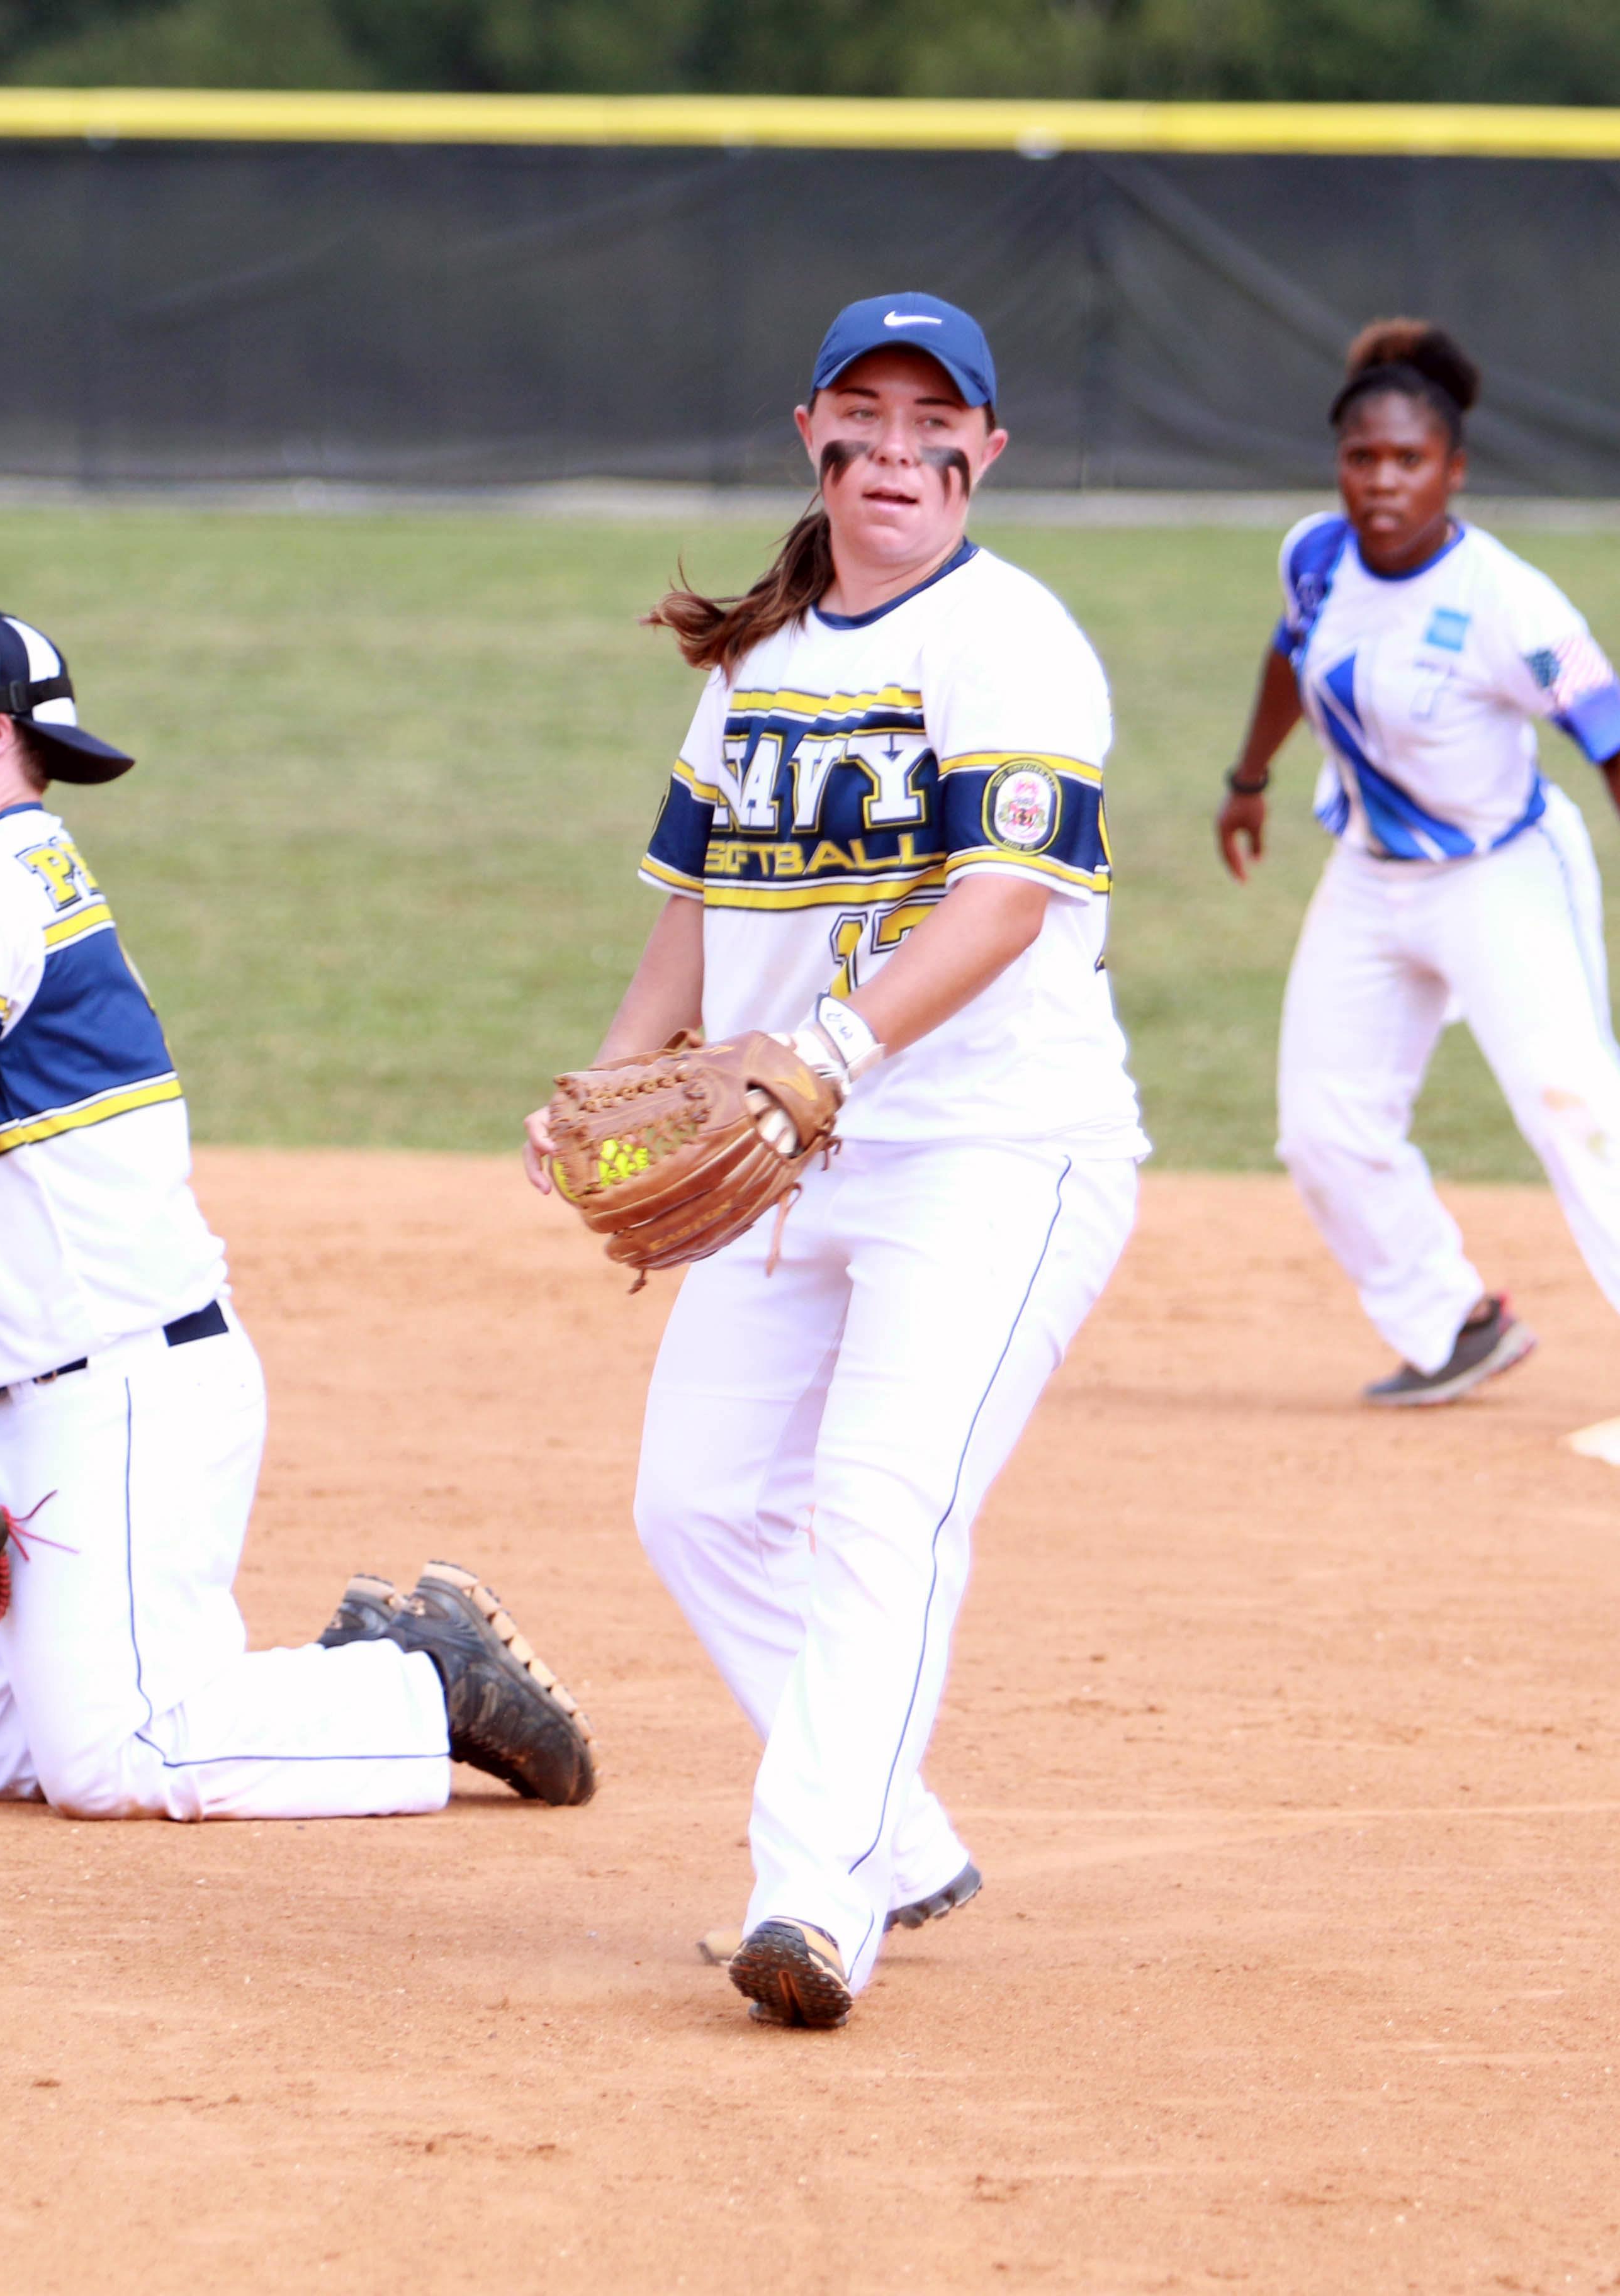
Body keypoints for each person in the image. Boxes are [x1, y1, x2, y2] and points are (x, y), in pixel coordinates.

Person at [524, 295, 1148, 2029]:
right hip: (788, 1147)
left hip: (994, 1153)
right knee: (699, 1503)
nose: (896, 445)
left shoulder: (1014, 641)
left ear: (986, 451)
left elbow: (1004, 907)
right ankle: (909, 1833)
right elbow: (701, 913)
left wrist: (827, 1057)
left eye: (933, 417)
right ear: (810, 431)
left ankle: (815, 1896)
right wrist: (614, 1078)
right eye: (861, 412)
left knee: (880, 1505)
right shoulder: (756, 663)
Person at [0, 605, 596, 1820]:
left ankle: (421, 1683)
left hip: (116, 1391)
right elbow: (1, 1190)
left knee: (118, 1762)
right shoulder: (15, 873)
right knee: (1, 1755)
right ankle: (295, 1687)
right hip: (20, 1396)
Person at [1214, 322, 1620, 1411]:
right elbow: (1290, 657)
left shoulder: (1514, 604)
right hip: (1371, 874)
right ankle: (1451, 1324)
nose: (1383, 483)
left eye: (1410, 462)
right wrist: (1248, 781)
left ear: (1455, 472)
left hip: (1500, 874)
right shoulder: (1313, 556)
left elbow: (1619, 741)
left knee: (1575, 1099)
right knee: (1323, 1128)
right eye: (1362, 460)